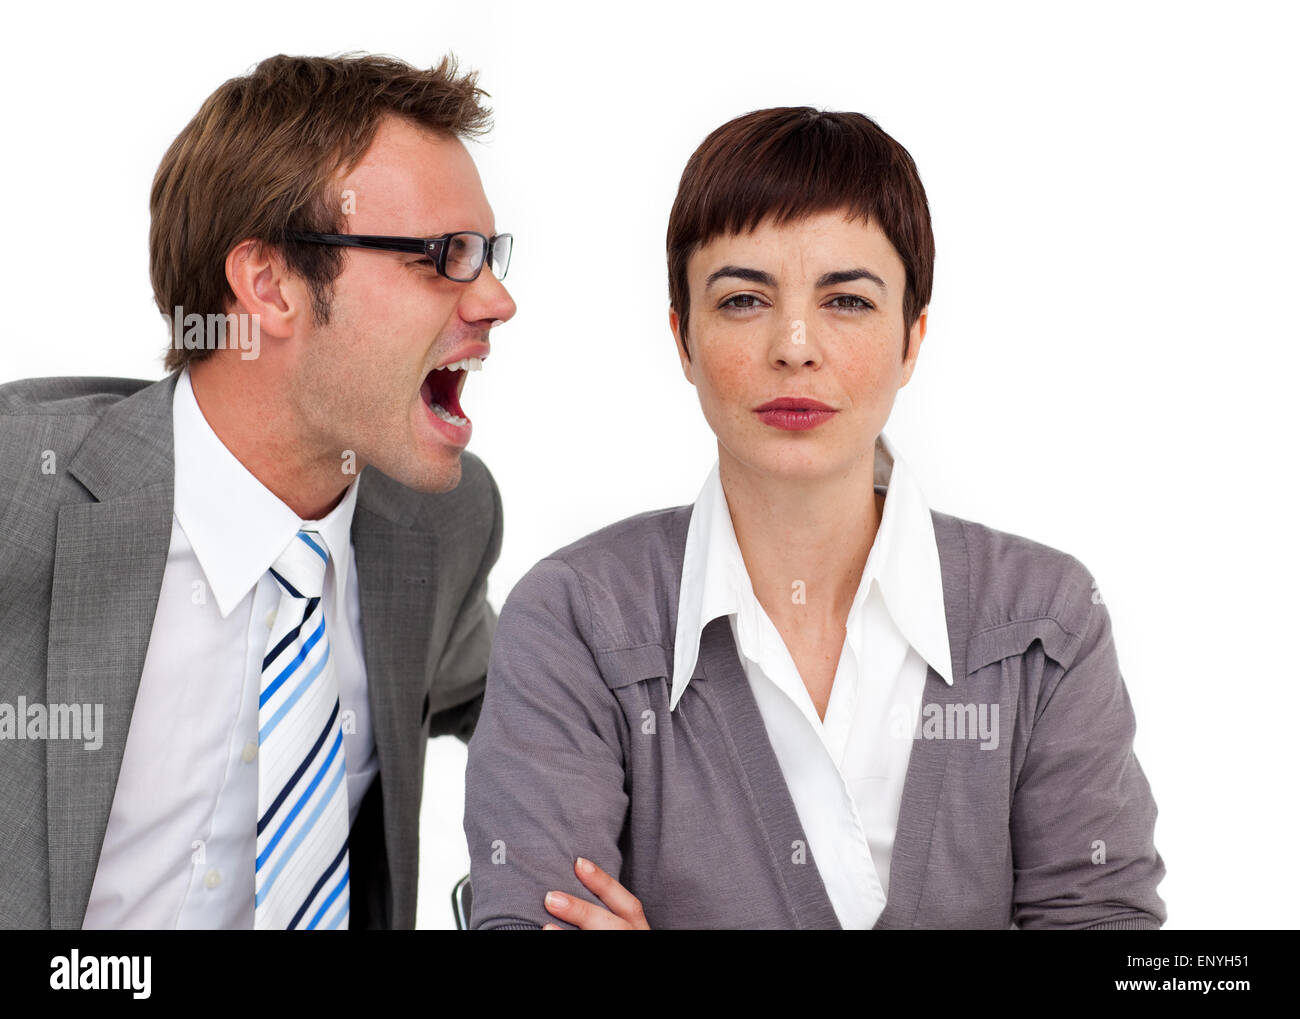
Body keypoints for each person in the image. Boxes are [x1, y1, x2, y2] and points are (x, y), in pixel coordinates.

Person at [464, 106, 1165, 929]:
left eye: (847, 301)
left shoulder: (1047, 624)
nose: (794, 346)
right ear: (682, 340)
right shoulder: (575, 619)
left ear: (913, 340)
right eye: (743, 300)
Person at [0, 52, 516, 929]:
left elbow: (529, 706)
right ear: (270, 286)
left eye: (490, 256)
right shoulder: (22, 487)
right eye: (444, 258)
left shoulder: (441, 519)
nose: (497, 301)